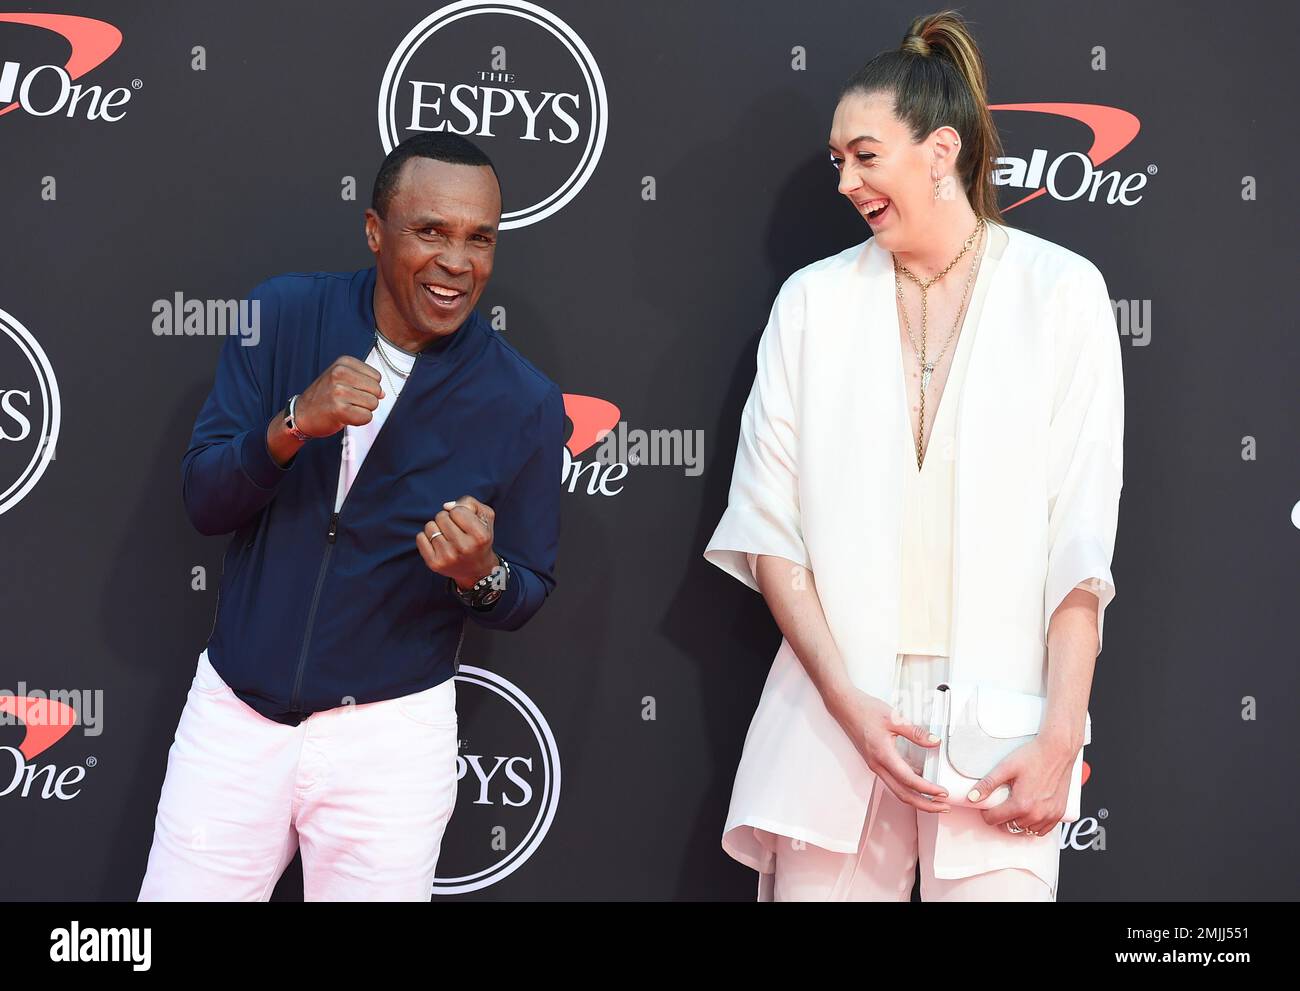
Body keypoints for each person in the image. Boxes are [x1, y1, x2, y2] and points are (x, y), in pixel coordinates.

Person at [703, 9, 1124, 901]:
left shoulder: (1061, 293)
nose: (846, 181)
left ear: (941, 151)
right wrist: (851, 708)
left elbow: (1080, 546)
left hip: (1004, 732)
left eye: (866, 155)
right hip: (831, 721)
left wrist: (1062, 737)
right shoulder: (812, 303)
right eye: (837, 161)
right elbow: (768, 531)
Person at [138, 132, 564, 901]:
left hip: (391, 743)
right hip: (235, 719)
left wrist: (481, 574)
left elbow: (525, 588)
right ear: (375, 230)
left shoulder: (524, 400)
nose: (457, 261)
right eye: (430, 230)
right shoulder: (281, 313)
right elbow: (204, 498)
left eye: (480, 239)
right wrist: (291, 424)